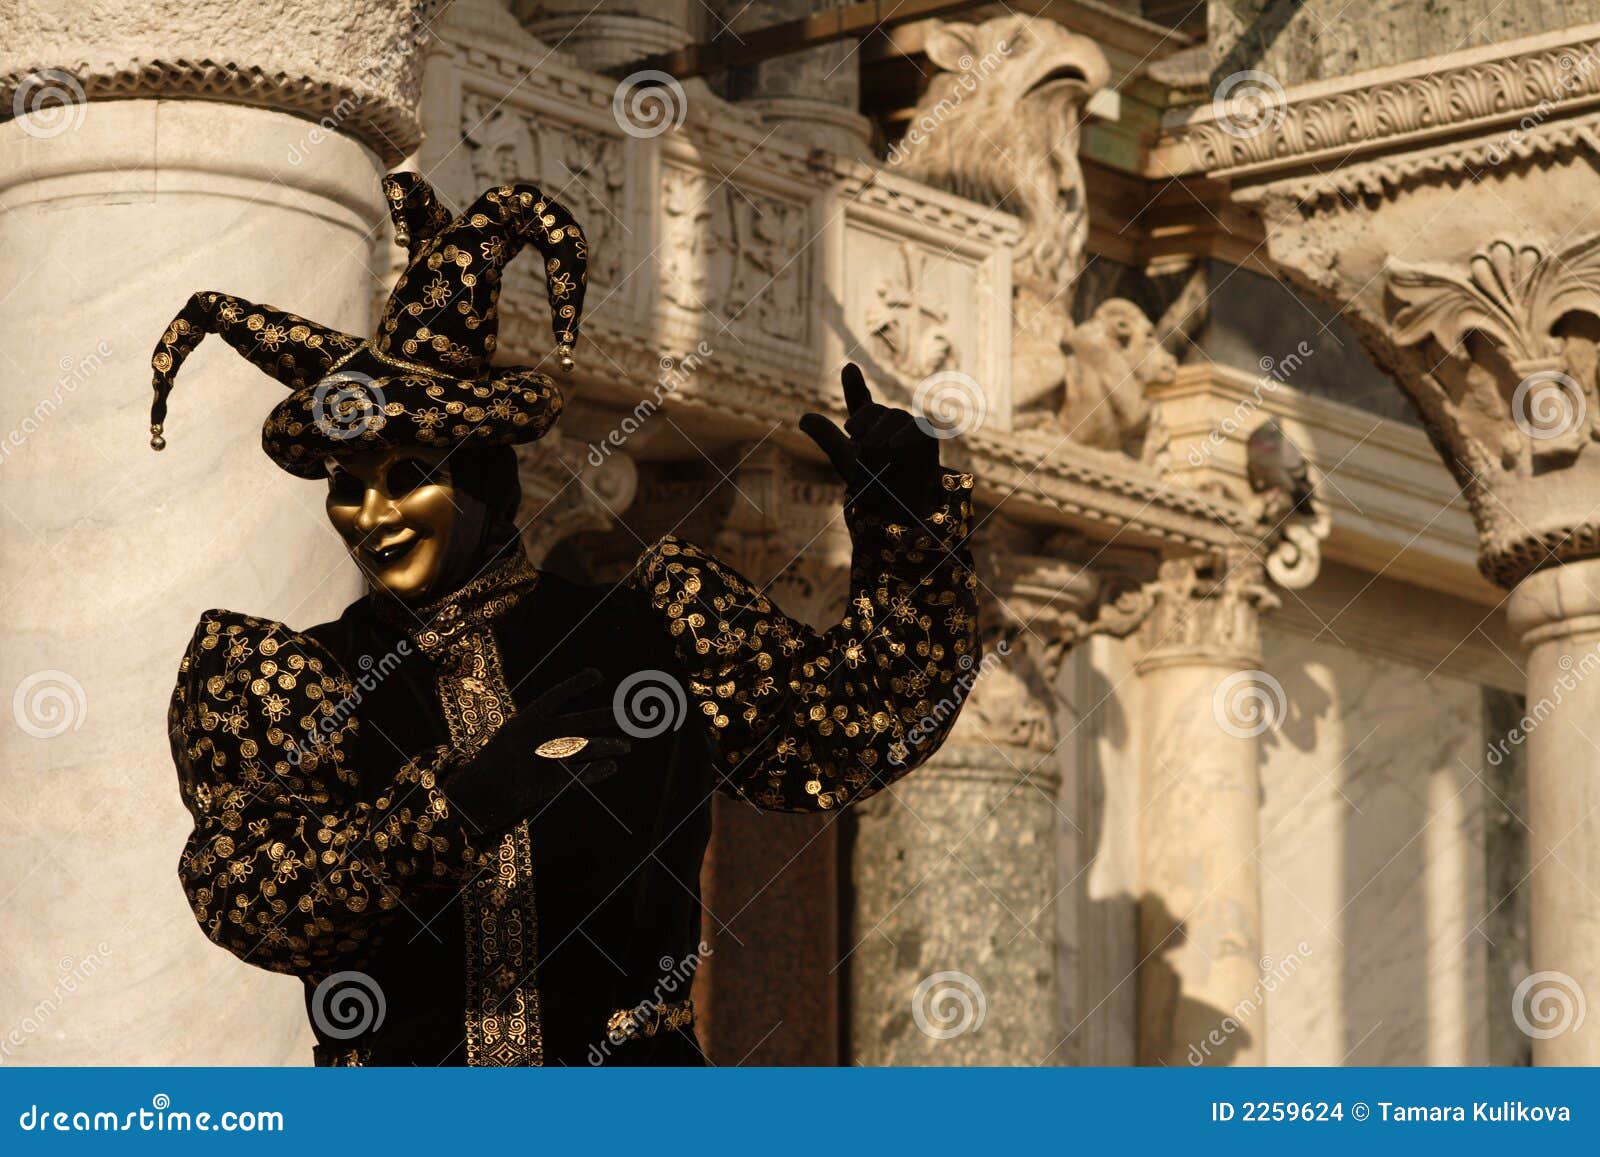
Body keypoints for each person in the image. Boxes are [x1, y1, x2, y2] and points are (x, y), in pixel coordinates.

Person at [154, 171, 980, 1065]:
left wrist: (907, 529)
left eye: (406, 477)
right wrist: (462, 803)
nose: (372, 515)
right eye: (347, 488)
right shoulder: (288, 682)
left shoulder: (654, 634)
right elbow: (257, 901)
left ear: (483, 476)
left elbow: (853, 730)